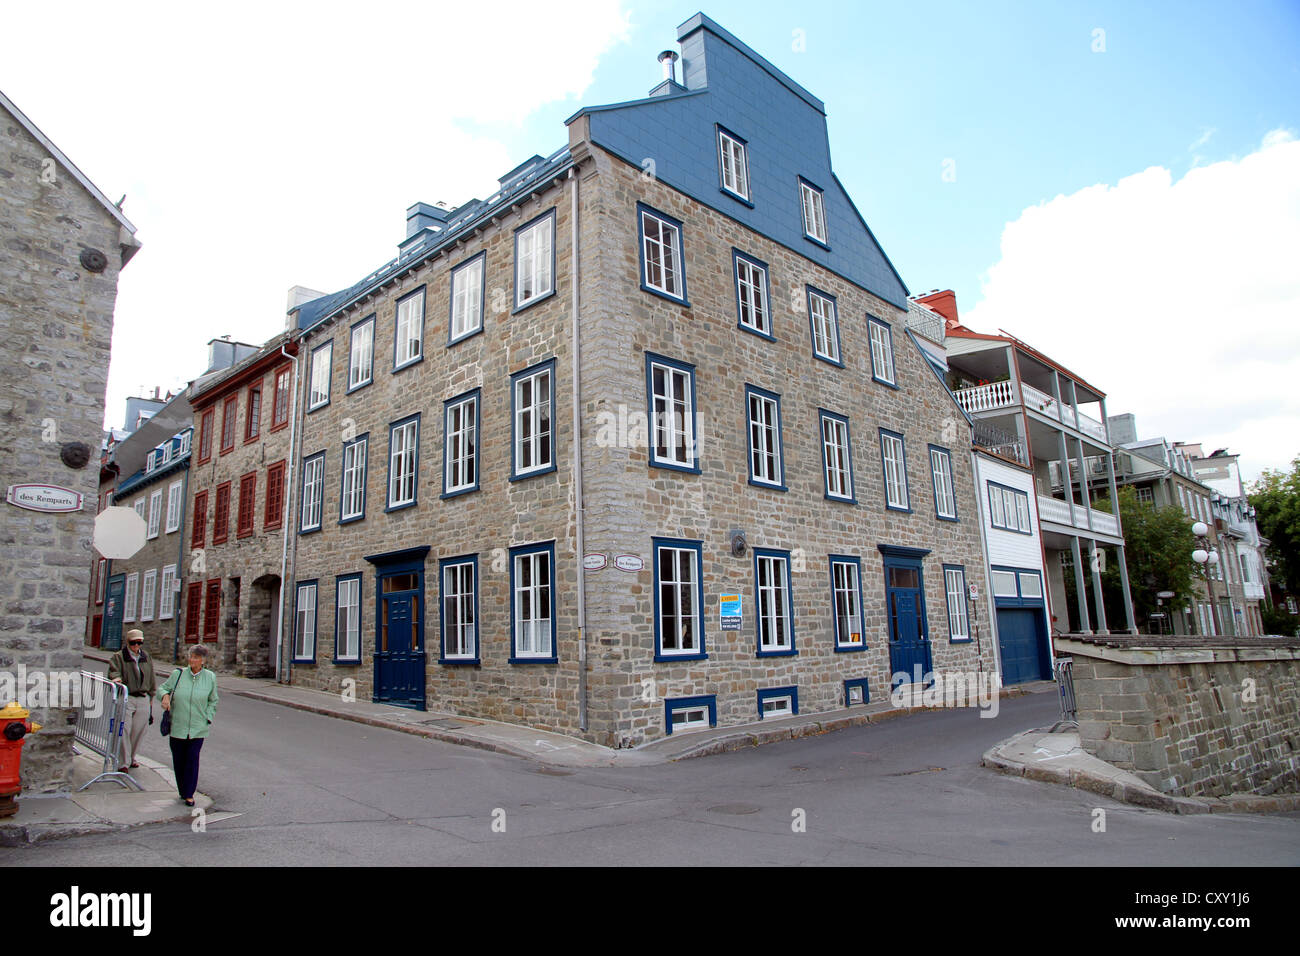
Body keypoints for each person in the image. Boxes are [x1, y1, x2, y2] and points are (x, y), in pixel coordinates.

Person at [157, 644, 219, 806]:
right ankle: (183, 790)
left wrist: (208, 717)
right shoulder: (178, 675)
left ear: (203, 660)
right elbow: (162, 688)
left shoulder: (210, 677)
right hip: (178, 725)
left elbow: (213, 700)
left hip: (198, 727)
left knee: (192, 759)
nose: (192, 660)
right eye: (191, 656)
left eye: (196, 657)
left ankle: (189, 794)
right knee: (179, 760)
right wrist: (164, 696)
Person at [106, 629, 156, 772]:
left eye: (139, 643)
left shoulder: (146, 656)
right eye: (133, 643)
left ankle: (132, 757)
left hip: (143, 697)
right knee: (125, 729)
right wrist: (116, 678)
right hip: (127, 696)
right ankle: (123, 762)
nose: (136, 646)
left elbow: (151, 676)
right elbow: (113, 671)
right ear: (128, 642)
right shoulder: (119, 656)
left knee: (139, 730)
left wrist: (152, 695)